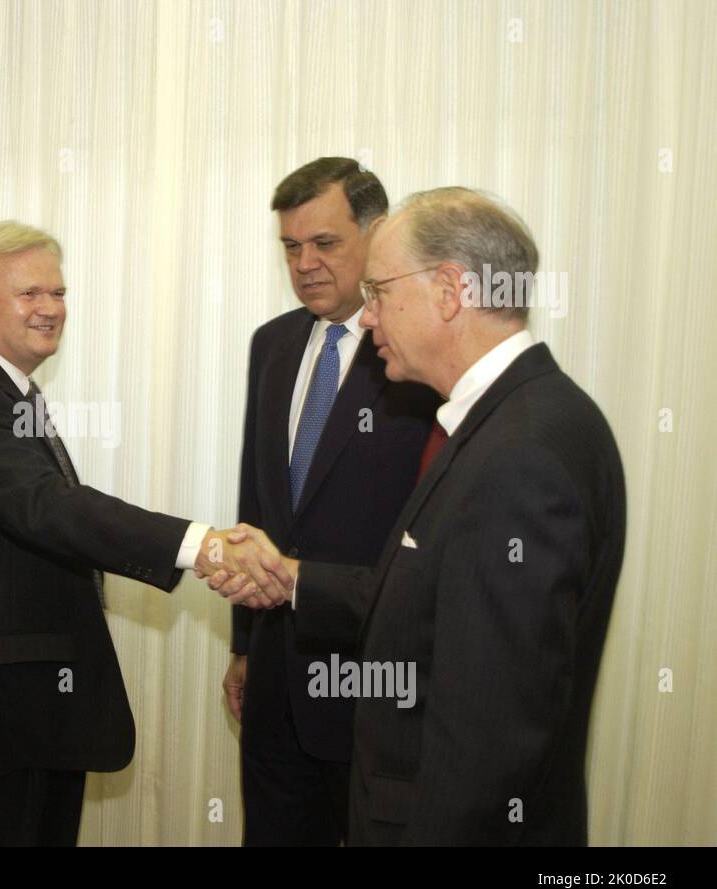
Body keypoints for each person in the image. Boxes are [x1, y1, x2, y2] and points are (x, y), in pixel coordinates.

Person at [216, 187, 627, 845]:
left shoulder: (520, 455)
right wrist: (291, 577)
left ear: (448, 291)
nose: (369, 317)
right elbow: (430, 603)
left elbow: (487, 739)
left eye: (379, 291)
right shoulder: (513, 419)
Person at [0, 220, 287, 846]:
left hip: (28, 711)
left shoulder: (10, 394)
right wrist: (203, 544)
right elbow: (51, 509)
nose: (51, 309)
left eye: (58, 293)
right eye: (30, 294)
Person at [223, 158, 437, 845]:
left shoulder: (415, 354)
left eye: (325, 243)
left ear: (374, 236)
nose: (305, 262)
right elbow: (256, 499)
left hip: (375, 679)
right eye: (291, 246)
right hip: (276, 678)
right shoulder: (273, 344)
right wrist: (242, 643)